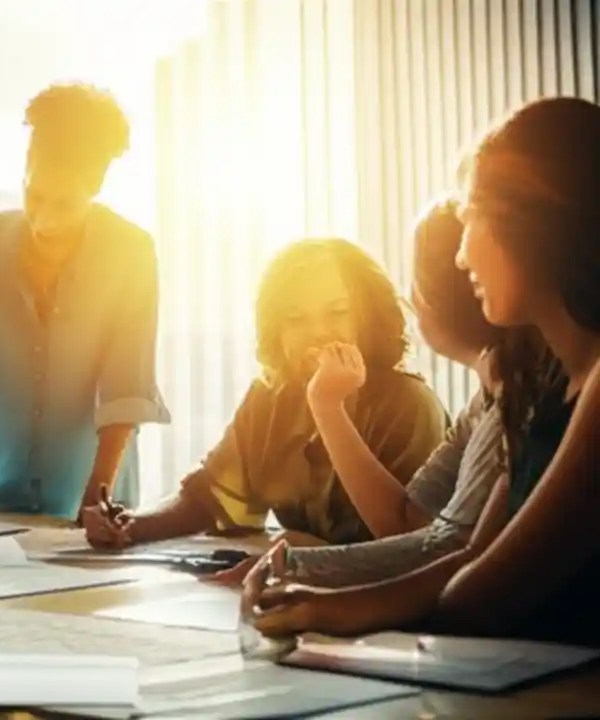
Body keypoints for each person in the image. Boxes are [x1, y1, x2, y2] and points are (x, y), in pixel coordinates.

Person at [250, 97, 600, 646]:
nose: (460, 258)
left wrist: (332, 592)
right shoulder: (544, 386)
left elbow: (483, 594)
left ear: (529, 224)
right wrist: (331, 607)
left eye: (469, 221)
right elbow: (470, 557)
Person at [211, 200, 516, 588]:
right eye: (296, 319)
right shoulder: (483, 405)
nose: (408, 300)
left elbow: (432, 550)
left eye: (418, 283)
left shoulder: (449, 404)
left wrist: (297, 563)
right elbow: (414, 526)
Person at [0, 83, 168, 521]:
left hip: (91, 503)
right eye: (35, 195)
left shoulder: (132, 252)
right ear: (24, 170)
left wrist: (94, 502)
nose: (44, 220)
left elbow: (126, 389)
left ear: (95, 187)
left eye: (65, 203)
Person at [84, 238, 448, 548]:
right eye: (295, 319)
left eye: (337, 312)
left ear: (368, 317)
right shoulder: (270, 399)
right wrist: (131, 525)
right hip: (301, 597)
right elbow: (209, 498)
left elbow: (413, 541)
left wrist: (314, 553)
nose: (319, 332)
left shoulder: (409, 406)